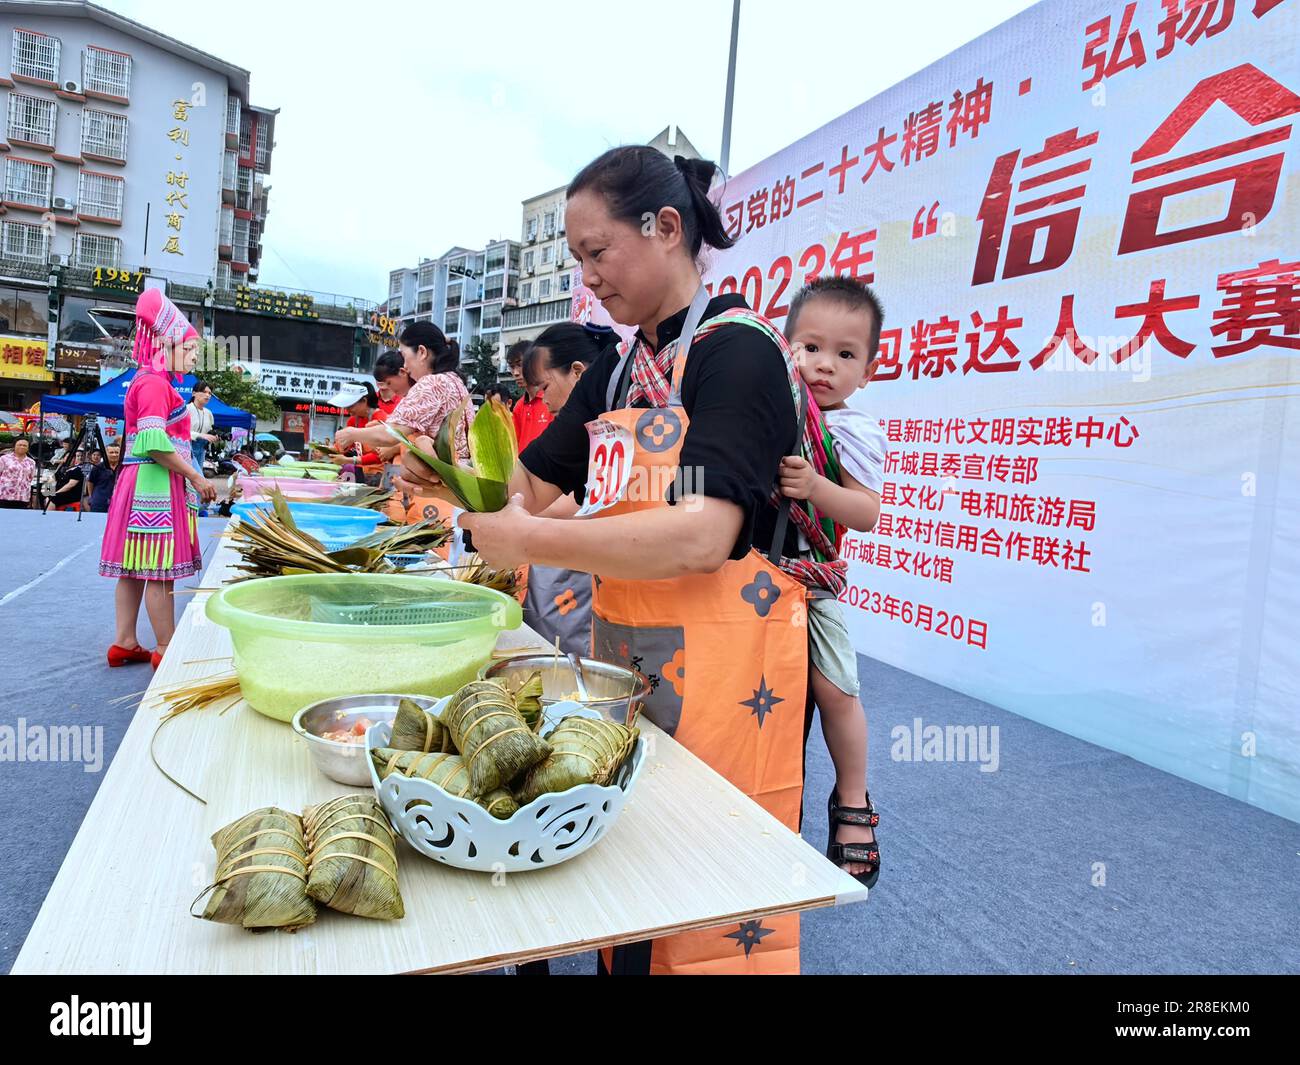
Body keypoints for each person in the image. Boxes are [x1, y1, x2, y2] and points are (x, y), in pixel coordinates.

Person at [399, 147, 842, 975]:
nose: (588, 276)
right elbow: (529, 481)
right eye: (577, 259)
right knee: (626, 880)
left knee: (707, 895)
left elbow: (704, 534)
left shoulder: (734, 353)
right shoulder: (620, 368)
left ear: (666, 228)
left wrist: (530, 539)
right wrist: (453, 477)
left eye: (597, 252)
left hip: (731, 674)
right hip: (626, 659)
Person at [780, 276, 886, 888]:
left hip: (810, 585)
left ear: (866, 372)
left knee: (837, 691)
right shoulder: (767, 413)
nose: (824, 365)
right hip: (747, 577)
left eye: (845, 355)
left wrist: (817, 487)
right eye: (811, 347)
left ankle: (852, 801)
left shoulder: (855, 430)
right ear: (785, 348)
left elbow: (866, 512)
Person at [100, 290, 216, 670]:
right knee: (159, 568)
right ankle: (165, 646)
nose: (196, 356)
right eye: (192, 349)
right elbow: (152, 442)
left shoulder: (149, 380)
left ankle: (125, 641)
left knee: (135, 568)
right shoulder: (153, 383)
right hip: (153, 482)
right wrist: (195, 477)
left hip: (141, 481)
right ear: (170, 344)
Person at [336, 322, 469, 525]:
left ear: (422, 352)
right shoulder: (455, 381)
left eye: (406, 357)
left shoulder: (432, 383)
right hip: (463, 487)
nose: (405, 367)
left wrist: (352, 433)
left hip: (442, 489)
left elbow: (391, 435)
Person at [507, 340, 552, 451]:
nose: (516, 372)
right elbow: (515, 444)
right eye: (512, 367)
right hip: (523, 466)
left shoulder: (552, 401)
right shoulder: (518, 406)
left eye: (519, 365)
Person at [187, 380, 217, 477]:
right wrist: (201, 435)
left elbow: (210, 431)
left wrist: (214, 437)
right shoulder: (186, 409)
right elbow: (180, 433)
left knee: (197, 476)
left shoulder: (209, 413)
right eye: (204, 392)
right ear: (194, 393)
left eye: (209, 393)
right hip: (188, 447)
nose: (207, 395)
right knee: (195, 477)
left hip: (202, 449)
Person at [0, 437, 35, 509]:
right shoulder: (4, 459)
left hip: (22, 496)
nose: (22, 447)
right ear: (14, 446)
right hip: (5, 495)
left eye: (24, 445)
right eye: (19, 445)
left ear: (28, 448)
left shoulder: (31, 462)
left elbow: (30, 478)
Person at [88, 445, 121, 513]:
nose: (114, 455)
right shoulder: (97, 467)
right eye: (111, 452)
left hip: (119, 502)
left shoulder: (124, 467)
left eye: (116, 452)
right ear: (106, 454)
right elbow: (90, 482)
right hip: (99, 502)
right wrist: (91, 496)